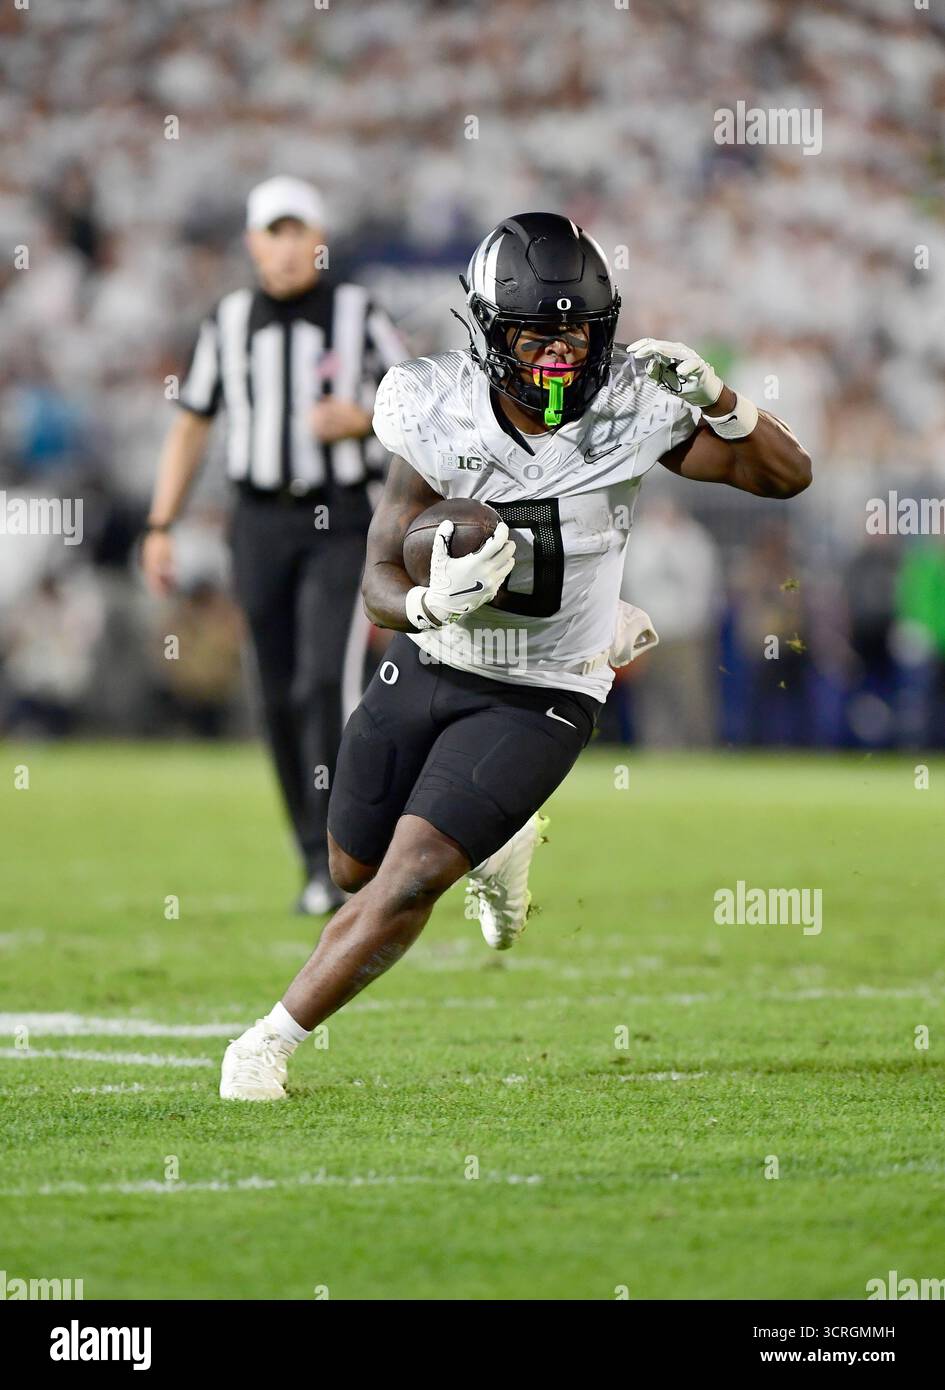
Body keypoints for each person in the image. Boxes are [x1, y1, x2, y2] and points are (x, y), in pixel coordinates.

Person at [219, 211, 812, 1100]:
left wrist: (725, 404)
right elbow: (379, 570)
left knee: (413, 875)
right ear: (492, 333)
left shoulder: (630, 403)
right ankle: (499, 848)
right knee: (353, 868)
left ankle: (269, 1040)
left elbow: (786, 475)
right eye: (539, 334)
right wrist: (422, 602)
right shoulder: (434, 404)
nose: (561, 354)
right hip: (433, 656)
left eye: (577, 332)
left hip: (544, 684)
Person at [141, 176, 404, 914]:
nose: (285, 248)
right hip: (257, 525)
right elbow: (192, 421)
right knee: (277, 692)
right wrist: (161, 523)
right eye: (272, 233)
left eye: (297, 232)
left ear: (318, 239)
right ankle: (314, 857)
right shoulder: (226, 320)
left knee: (326, 682)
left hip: (341, 519)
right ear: (253, 242)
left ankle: (353, 848)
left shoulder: (359, 312)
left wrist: (360, 420)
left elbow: (419, 406)